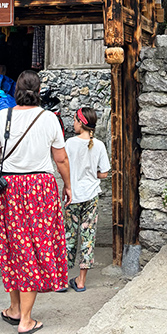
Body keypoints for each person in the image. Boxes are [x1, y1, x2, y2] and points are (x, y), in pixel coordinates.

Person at [0, 69, 71, 334]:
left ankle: (14, 309)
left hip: (9, 187)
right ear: (39, 90)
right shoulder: (49, 119)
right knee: (35, 246)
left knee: (13, 246)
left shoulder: (3, 117)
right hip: (41, 188)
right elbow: (61, 159)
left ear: (16, 92)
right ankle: (25, 318)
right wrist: (67, 185)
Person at [63, 107, 111, 291]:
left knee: (69, 236)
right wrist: (92, 173)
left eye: (75, 119)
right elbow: (104, 173)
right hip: (91, 196)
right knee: (88, 236)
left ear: (81, 122)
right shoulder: (98, 145)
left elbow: (63, 167)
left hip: (72, 196)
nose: (73, 123)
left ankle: (62, 279)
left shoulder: (69, 144)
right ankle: (81, 281)